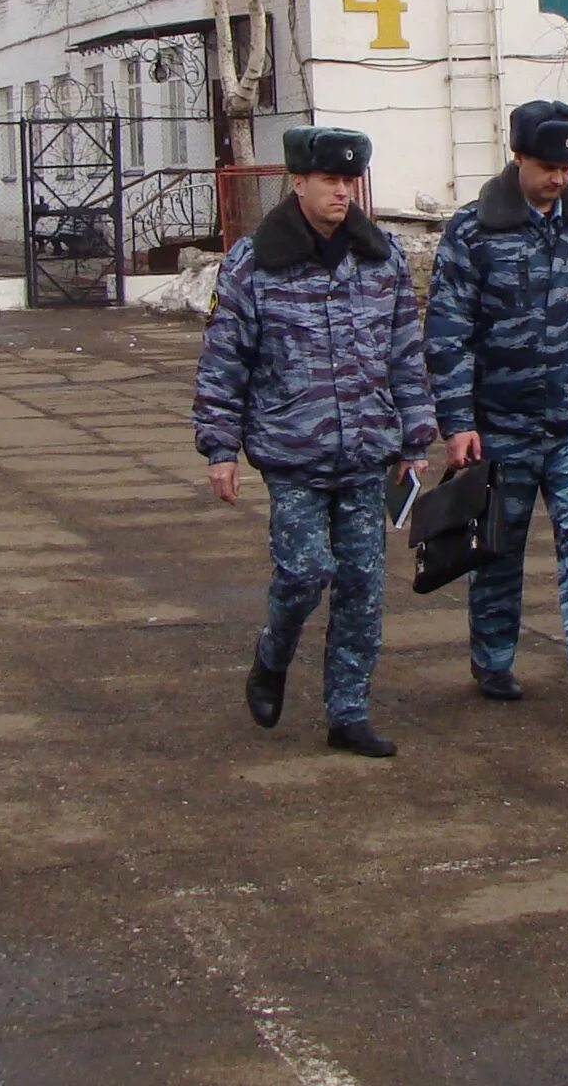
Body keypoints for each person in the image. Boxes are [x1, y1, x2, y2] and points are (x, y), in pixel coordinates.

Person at [193, 126, 436, 758]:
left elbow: (406, 355)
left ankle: (348, 712)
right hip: (291, 448)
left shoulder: (380, 259)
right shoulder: (254, 262)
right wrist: (220, 447)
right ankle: (273, 655)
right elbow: (225, 360)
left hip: (366, 451)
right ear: (297, 181)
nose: (342, 192)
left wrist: (415, 437)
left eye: (349, 180)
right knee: (305, 571)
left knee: (361, 587)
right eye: (329, 180)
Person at [425, 99, 568, 731]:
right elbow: (448, 333)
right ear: (518, 157)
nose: (558, 179)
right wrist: (458, 421)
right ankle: (493, 658)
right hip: (501, 425)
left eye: (567, 167)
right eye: (548, 166)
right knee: (499, 551)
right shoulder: (473, 231)